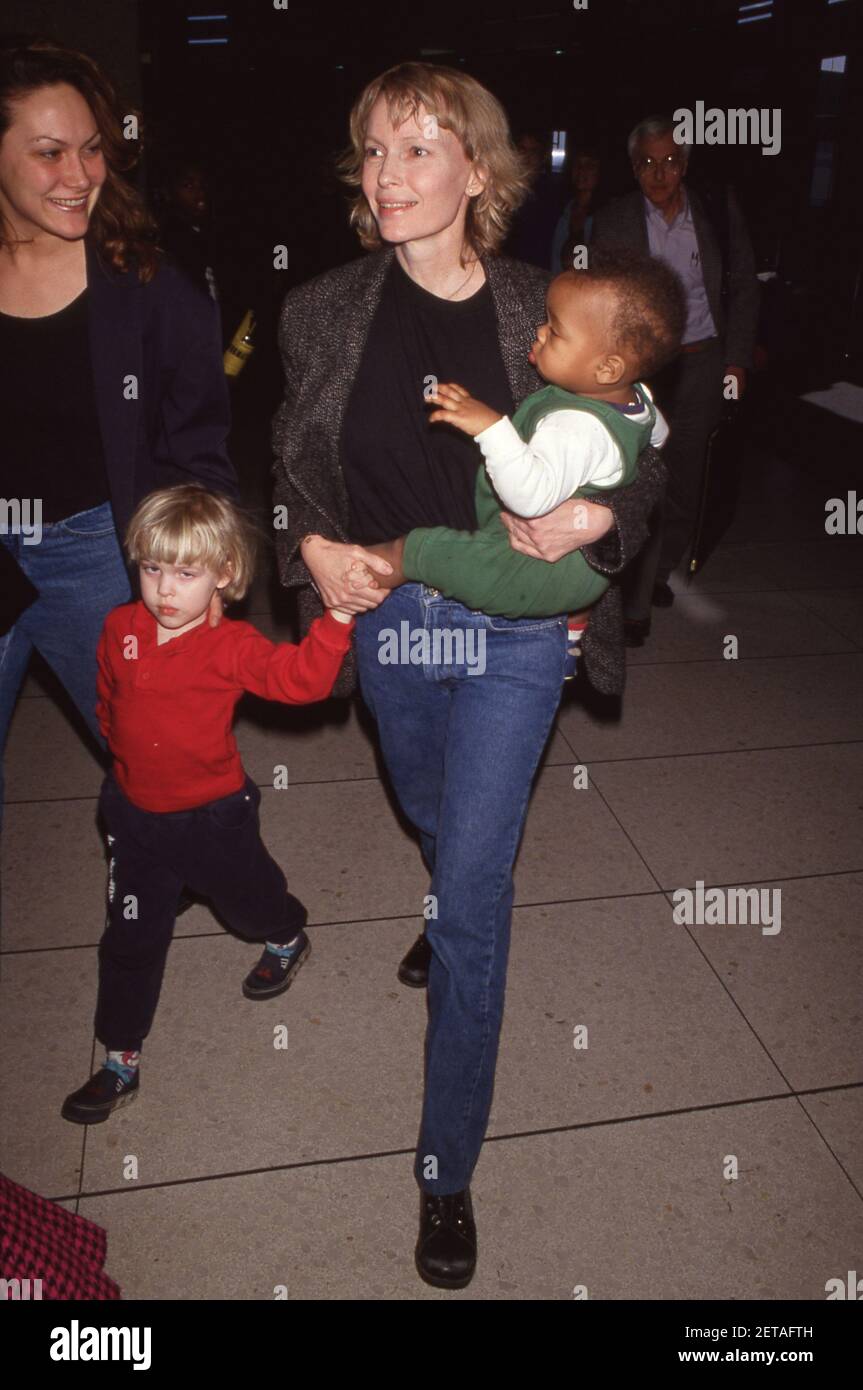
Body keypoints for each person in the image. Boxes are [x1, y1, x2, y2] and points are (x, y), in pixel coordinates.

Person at [270, 61, 666, 1289]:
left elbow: (638, 440)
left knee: (478, 895)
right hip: (391, 621)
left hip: (511, 635)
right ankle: (442, 897)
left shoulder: (533, 305)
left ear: (476, 172)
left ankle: (446, 1172)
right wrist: (307, 546)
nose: (389, 175)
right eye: (374, 151)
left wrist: (604, 522)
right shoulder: (321, 311)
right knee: (440, 824)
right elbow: (289, 463)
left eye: (419, 149)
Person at [61, 485, 355, 1125]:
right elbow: (107, 693)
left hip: (213, 816)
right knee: (129, 941)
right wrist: (118, 748)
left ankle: (285, 932)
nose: (165, 588)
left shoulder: (233, 646)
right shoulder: (120, 628)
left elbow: (302, 681)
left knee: (249, 903)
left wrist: (335, 621)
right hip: (135, 819)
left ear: (225, 576)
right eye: (152, 568)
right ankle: (120, 1058)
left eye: (187, 573)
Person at [0, 39, 236, 829]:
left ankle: (240, 893)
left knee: (165, 761)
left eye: (93, 148)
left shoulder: (147, 284)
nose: (80, 175)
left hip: (94, 551)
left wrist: (206, 563)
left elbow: (197, 439)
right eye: (48, 153)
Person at [364, 250, 682, 666]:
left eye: (556, 331)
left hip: (526, 568)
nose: (540, 330)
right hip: (577, 575)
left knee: (422, 549)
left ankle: (364, 578)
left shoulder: (575, 427)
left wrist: (491, 428)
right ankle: (572, 631)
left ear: (607, 369)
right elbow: (657, 433)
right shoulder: (636, 398)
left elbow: (529, 498)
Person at [591, 114, 759, 644]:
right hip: (645, 367)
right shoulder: (616, 219)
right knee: (636, 475)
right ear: (633, 168)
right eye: (647, 163)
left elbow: (745, 285)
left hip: (705, 361)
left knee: (686, 473)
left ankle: (662, 569)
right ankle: (630, 593)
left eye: (668, 161)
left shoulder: (713, 210)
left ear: (684, 164)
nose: (659, 173)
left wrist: (736, 361)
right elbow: (600, 296)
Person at [550, 145, 601, 272]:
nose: (581, 170)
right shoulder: (561, 209)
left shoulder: (606, 216)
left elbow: (579, 266)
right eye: (577, 164)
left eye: (590, 165)